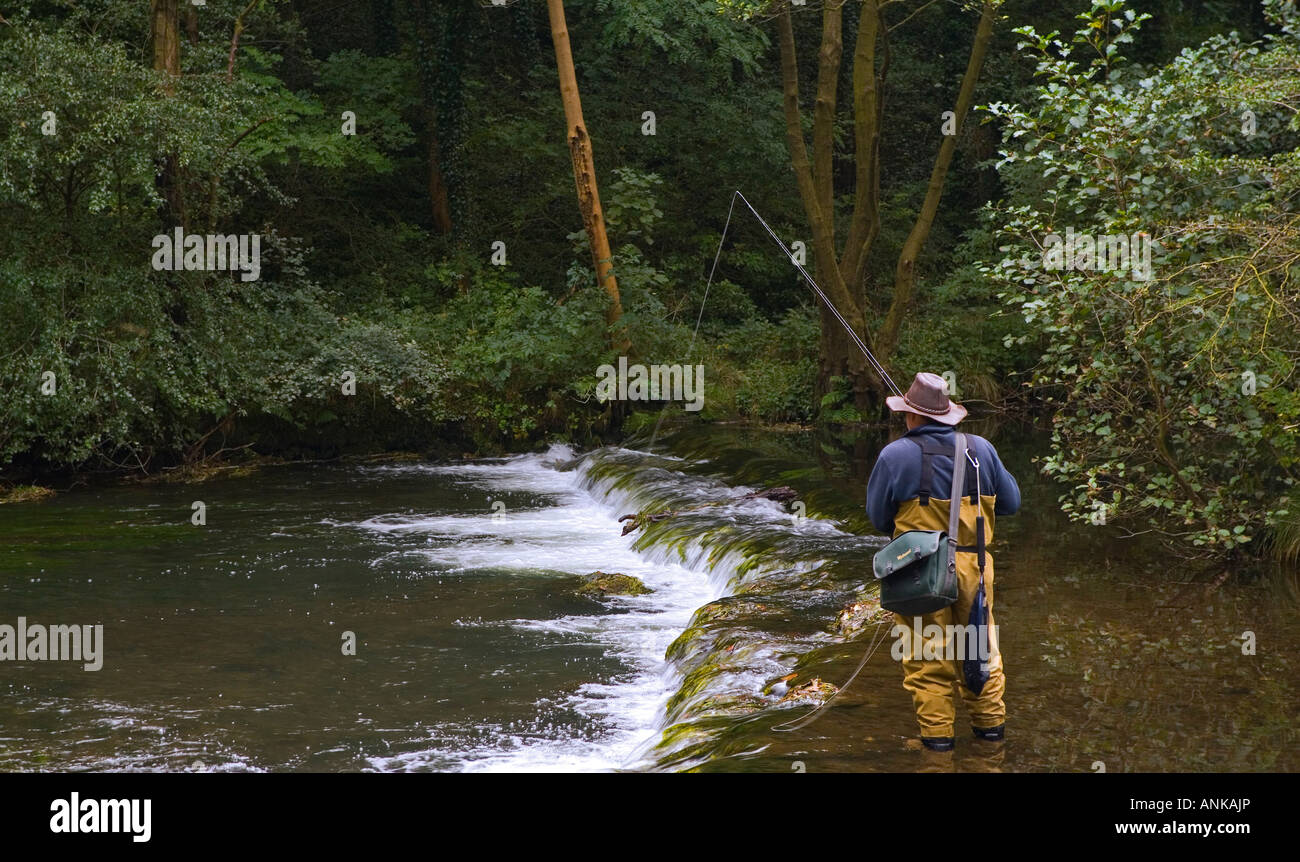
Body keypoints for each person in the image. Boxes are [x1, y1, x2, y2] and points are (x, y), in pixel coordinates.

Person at [866, 372, 1021, 753]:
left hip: (917, 571)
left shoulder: (894, 455)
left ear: (913, 417)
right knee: (979, 652)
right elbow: (1013, 503)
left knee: (926, 658)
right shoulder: (981, 449)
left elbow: (877, 518)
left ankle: (937, 751)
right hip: (976, 568)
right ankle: (990, 744)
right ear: (947, 415)